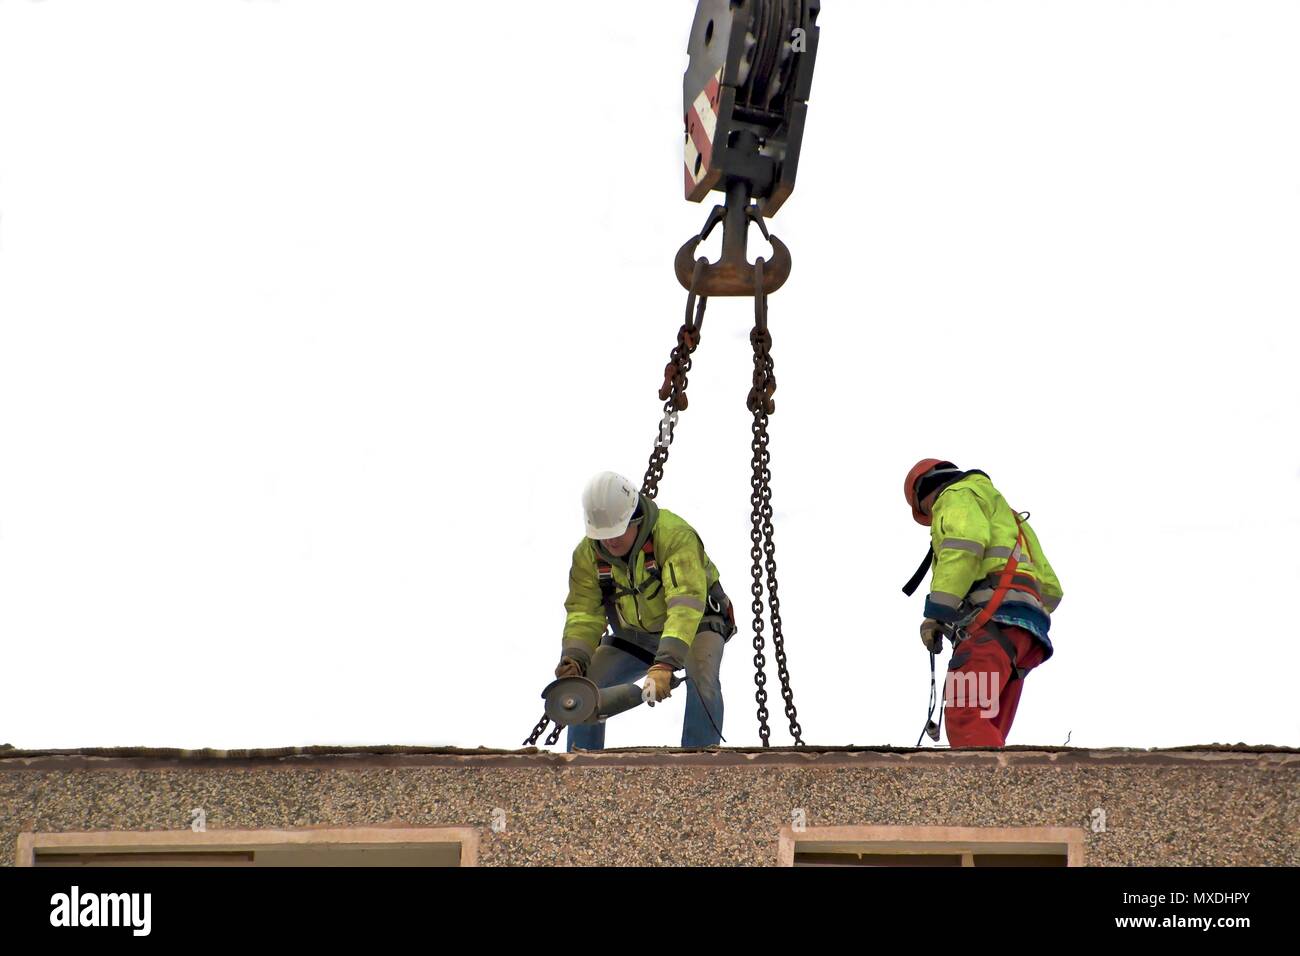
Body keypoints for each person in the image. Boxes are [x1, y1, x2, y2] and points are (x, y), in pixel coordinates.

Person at [557, 471, 734, 751]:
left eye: (616, 533)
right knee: (584, 689)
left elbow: (685, 603)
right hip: (637, 635)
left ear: (635, 520)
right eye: (603, 537)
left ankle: (700, 766)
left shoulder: (675, 536)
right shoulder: (587, 555)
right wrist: (574, 658)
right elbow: (583, 612)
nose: (610, 543)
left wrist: (665, 663)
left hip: (696, 625)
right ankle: (581, 769)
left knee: (702, 679)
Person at [902, 459, 1064, 747]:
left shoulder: (956, 495)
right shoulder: (1008, 516)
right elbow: (1051, 589)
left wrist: (938, 614)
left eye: (926, 510)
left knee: (966, 715)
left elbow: (964, 547)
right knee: (988, 730)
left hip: (991, 629)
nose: (932, 514)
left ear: (926, 491)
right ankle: (1002, 790)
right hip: (1026, 636)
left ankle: (985, 790)